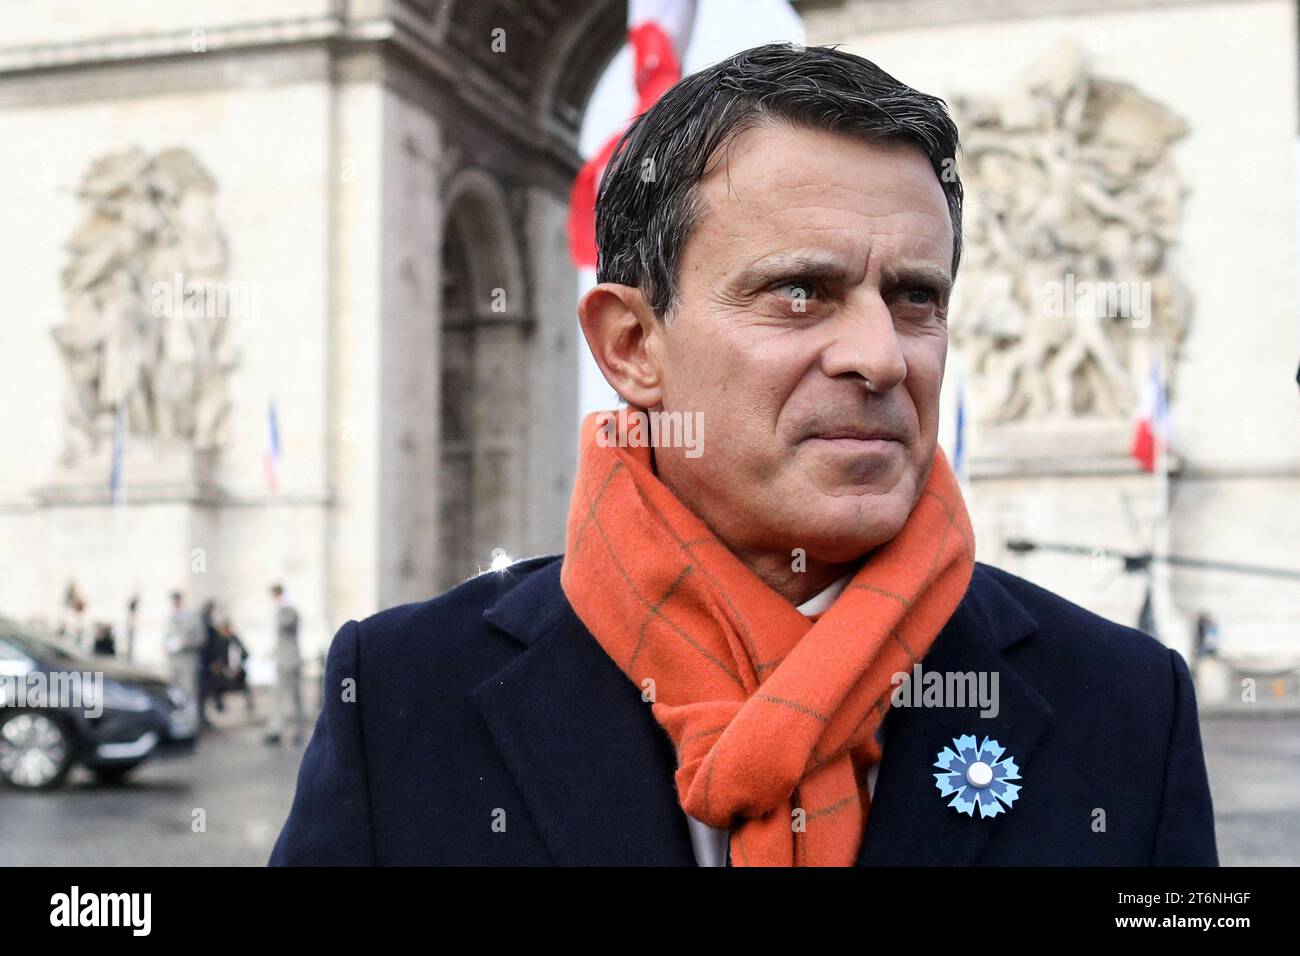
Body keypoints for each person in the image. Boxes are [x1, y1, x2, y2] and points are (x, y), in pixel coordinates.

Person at [271, 44, 1217, 867]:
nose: (883, 357)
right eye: (801, 293)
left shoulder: (1130, 711)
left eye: (916, 297)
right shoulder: (399, 699)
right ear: (632, 347)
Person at [265, 583, 304, 746]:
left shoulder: (288, 610)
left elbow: (286, 626)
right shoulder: (282, 610)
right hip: (282, 660)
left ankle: (296, 730)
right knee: (278, 696)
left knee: (293, 697)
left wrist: (282, 606)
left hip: (290, 661)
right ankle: (275, 730)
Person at [163, 591, 204, 708]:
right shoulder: (170, 618)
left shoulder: (192, 617)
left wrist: (185, 643)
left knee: (190, 692)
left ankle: (192, 720)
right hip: (174, 661)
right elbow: (166, 638)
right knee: (175, 692)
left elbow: (200, 639)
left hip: (188, 661)